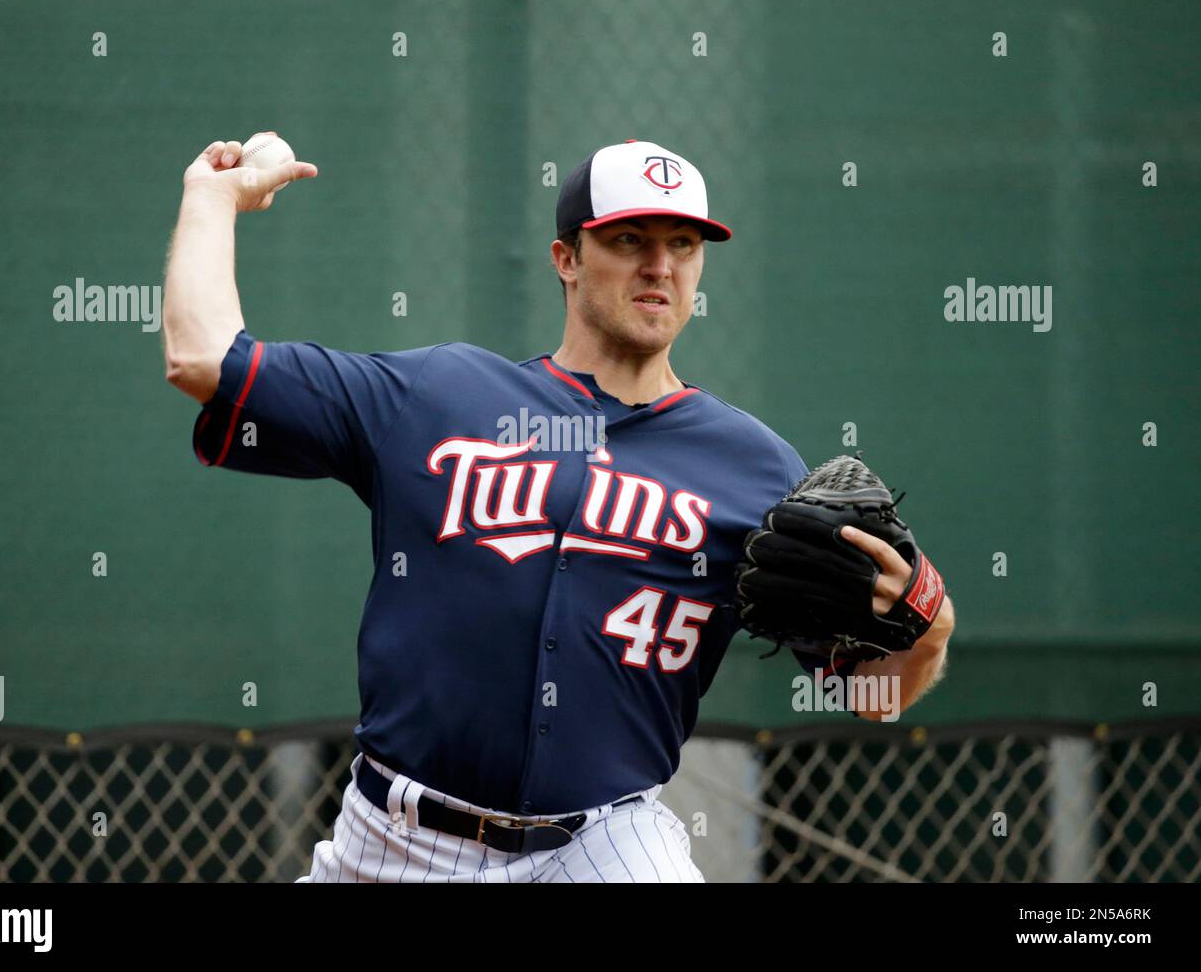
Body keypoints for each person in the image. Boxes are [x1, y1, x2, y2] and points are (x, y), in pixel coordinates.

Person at [161, 137, 955, 883]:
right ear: (566, 259)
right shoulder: (440, 395)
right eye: (629, 239)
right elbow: (203, 359)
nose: (659, 267)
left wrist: (929, 629)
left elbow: (870, 695)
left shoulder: (757, 471)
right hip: (394, 839)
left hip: (603, 843)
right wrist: (212, 197)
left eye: (683, 244)